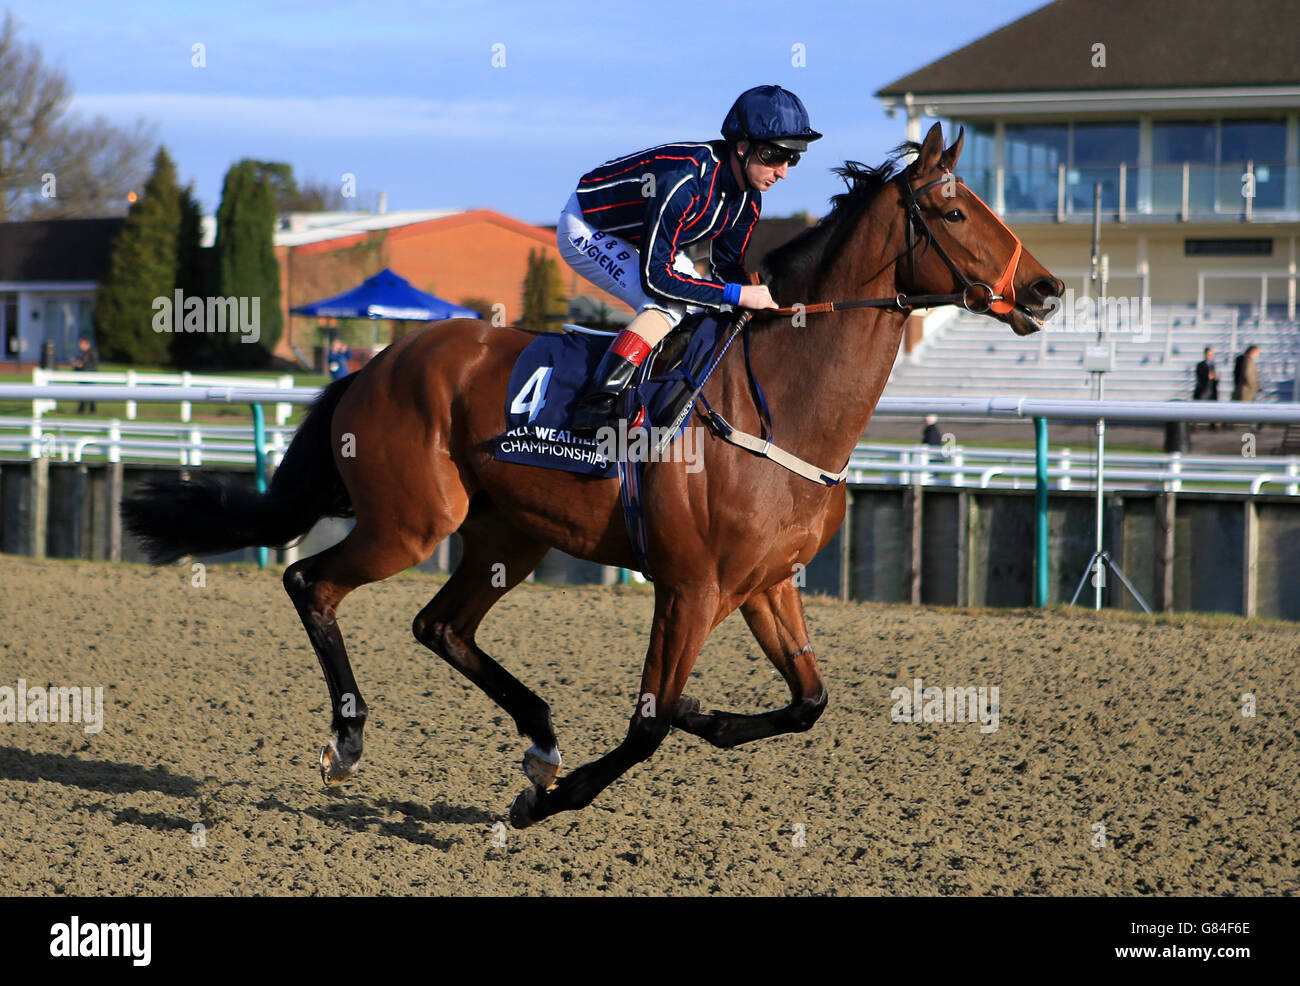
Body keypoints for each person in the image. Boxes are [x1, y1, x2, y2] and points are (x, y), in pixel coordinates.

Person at [557, 84, 821, 437]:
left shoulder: (749, 201)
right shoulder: (684, 181)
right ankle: (595, 406)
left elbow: (726, 269)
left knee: (704, 306)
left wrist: (754, 300)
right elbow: (656, 279)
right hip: (589, 226)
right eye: (774, 156)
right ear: (742, 146)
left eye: (794, 158)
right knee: (665, 304)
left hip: (640, 235)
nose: (783, 171)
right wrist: (738, 296)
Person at [1233, 344, 1261, 432]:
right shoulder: (1247, 361)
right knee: (1251, 410)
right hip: (1248, 391)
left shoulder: (1243, 360)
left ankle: (1253, 427)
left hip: (1246, 390)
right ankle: (1253, 427)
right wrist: (1254, 386)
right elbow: (1249, 375)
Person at [1193, 346, 1219, 430]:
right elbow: (1200, 376)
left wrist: (1216, 378)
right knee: (1198, 408)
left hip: (1211, 389)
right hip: (1203, 389)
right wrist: (1208, 376)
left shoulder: (1213, 365)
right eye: (1208, 354)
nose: (1209, 356)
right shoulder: (1201, 365)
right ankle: (1196, 425)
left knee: (1213, 409)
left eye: (1211, 354)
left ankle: (1212, 425)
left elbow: (1215, 379)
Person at [72, 336, 98, 413]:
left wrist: (82, 365)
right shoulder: (81, 353)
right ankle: (81, 409)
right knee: (81, 392)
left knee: (91, 393)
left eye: (81, 344)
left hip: (90, 375)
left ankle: (92, 409)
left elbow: (93, 364)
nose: (80, 346)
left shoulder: (92, 352)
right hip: (82, 375)